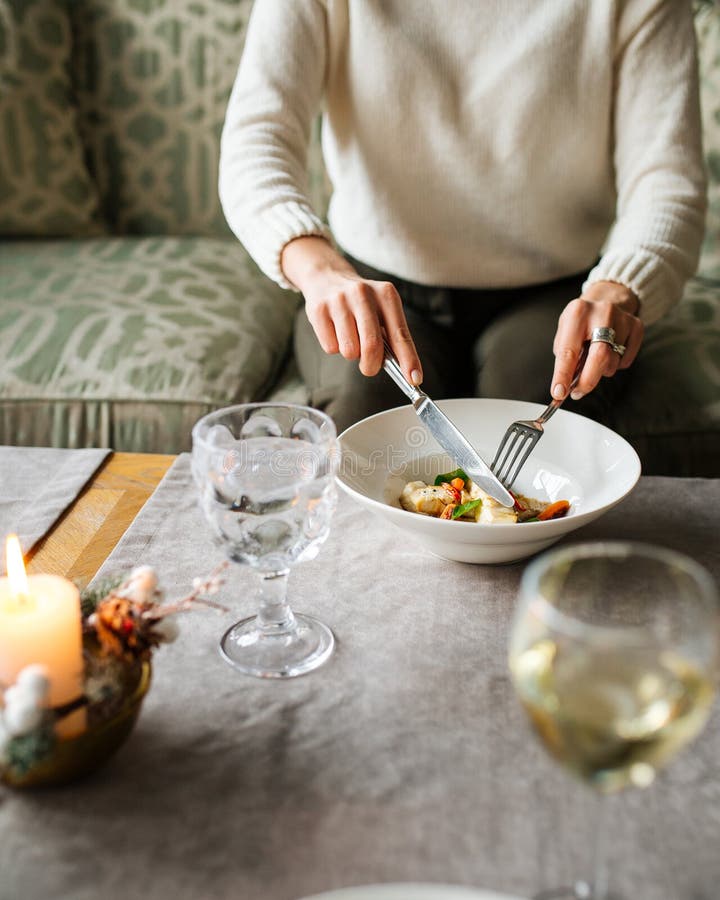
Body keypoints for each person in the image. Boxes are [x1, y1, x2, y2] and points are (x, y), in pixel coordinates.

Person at [219, 0, 706, 435]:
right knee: (366, 421)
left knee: (534, 432)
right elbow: (255, 142)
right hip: (370, 282)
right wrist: (321, 272)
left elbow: (666, 182)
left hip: (558, 297)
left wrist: (617, 291)